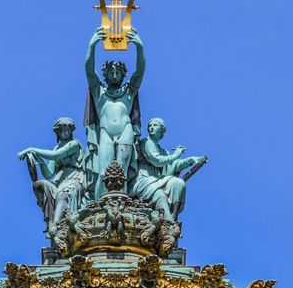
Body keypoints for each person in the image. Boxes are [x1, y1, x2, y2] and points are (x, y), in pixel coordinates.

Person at [84, 26, 145, 197]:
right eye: (112, 72)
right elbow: (89, 70)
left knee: (121, 174)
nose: (115, 75)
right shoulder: (99, 92)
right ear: (106, 74)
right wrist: (92, 45)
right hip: (106, 132)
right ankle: (97, 207)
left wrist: (139, 47)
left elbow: (140, 71)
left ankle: (122, 206)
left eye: (118, 72)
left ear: (123, 74)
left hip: (125, 130)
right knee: (103, 173)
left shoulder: (129, 92)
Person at [17, 118, 86, 235]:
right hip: (60, 181)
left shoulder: (74, 144)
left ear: (71, 131)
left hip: (74, 179)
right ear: (58, 132)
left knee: (63, 195)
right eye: (62, 130)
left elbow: (55, 156)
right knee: (40, 185)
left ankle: (57, 225)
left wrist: (32, 149)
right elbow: (48, 173)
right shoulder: (56, 148)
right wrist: (41, 162)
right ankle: (50, 222)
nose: (65, 132)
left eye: (68, 130)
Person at [133, 117, 206, 222]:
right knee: (162, 193)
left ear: (162, 129)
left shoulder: (162, 150)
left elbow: (173, 165)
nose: (151, 127)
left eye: (155, 125)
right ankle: (168, 221)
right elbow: (157, 160)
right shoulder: (147, 142)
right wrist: (175, 155)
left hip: (155, 180)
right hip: (144, 179)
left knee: (178, 184)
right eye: (149, 125)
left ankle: (173, 218)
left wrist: (190, 160)